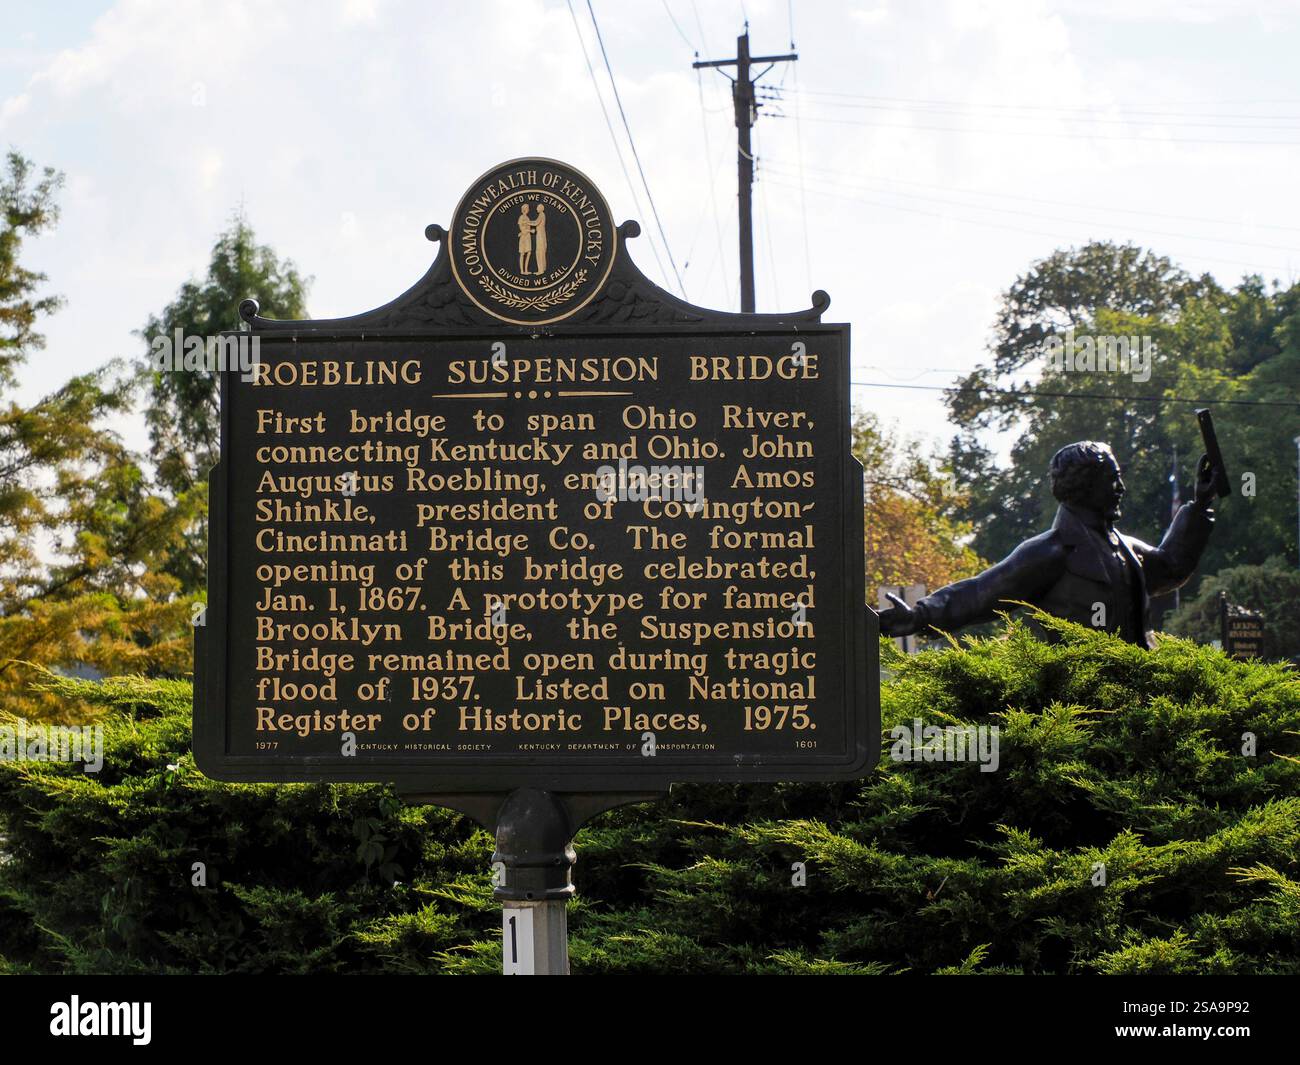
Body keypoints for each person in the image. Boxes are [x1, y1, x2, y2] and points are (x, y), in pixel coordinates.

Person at [877, 441, 1217, 648]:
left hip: (1142, 695)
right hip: (1080, 703)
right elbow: (982, 592)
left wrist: (1199, 506)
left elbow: (1170, 568)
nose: (1121, 488)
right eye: (1112, 479)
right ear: (1084, 486)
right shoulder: (1050, 552)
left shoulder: (1125, 547)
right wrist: (921, 615)